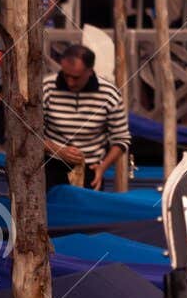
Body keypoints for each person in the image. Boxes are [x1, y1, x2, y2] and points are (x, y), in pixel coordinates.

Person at [42, 44, 131, 190]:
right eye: (66, 75)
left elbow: (122, 139)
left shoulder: (109, 94)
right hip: (50, 168)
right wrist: (58, 150)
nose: (70, 82)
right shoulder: (46, 87)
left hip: (91, 170)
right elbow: (31, 135)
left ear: (90, 71)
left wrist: (102, 167)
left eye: (76, 77)